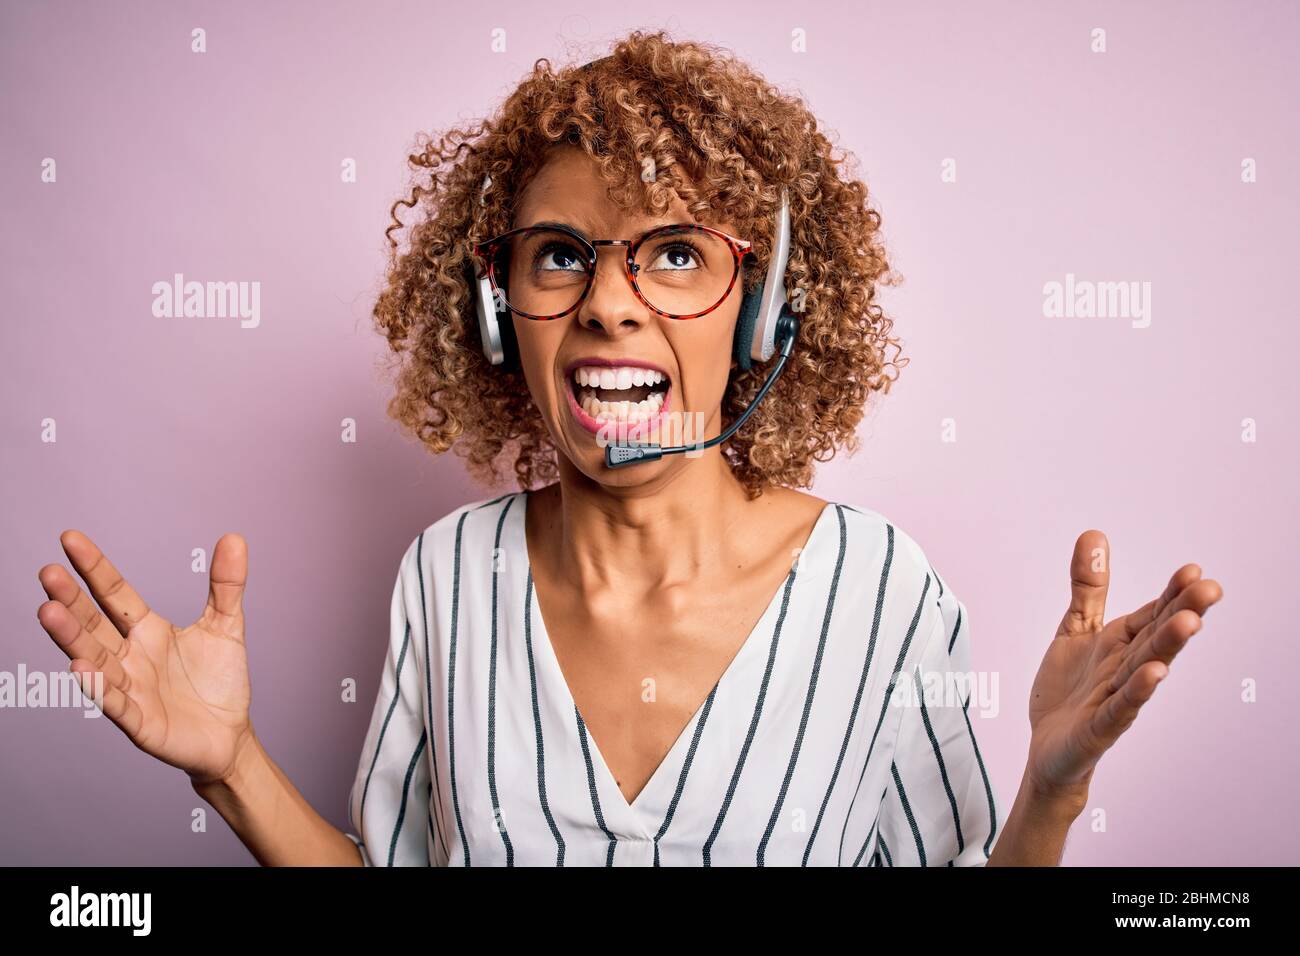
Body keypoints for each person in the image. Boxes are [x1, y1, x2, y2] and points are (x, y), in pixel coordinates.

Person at [34, 31, 1222, 866]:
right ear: (499, 311)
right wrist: (227, 762)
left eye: (672, 253)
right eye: (559, 253)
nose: (606, 302)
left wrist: (1052, 792)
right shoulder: (447, 577)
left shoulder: (882, 592)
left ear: (763, 315)